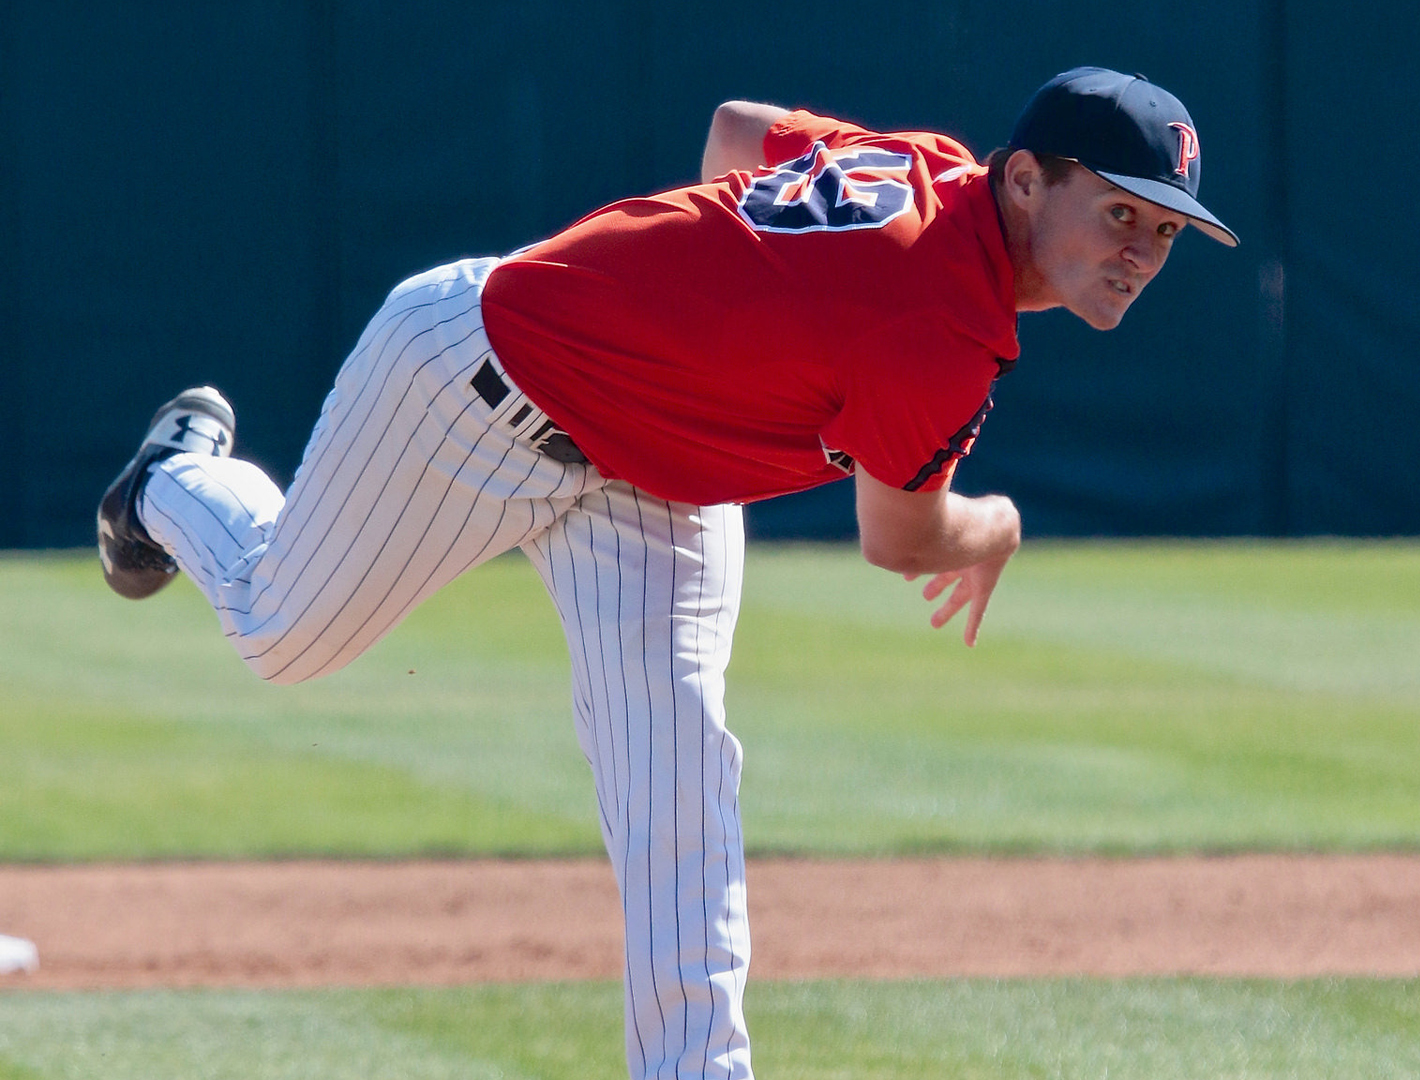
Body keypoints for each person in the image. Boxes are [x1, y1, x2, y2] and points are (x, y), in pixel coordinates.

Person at [93, 65, 1236, 1080]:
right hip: (476, 382)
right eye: (1121, 212)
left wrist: (709, 322)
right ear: (1028, 181)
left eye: (1166, 233)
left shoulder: (931, 169)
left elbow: (738, 130)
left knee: (679, 789)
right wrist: (997, 526)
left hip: (660, 476)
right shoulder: (940, 319)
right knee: (278, 631)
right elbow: (901, 538)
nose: (1139, 252)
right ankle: (173, 479)